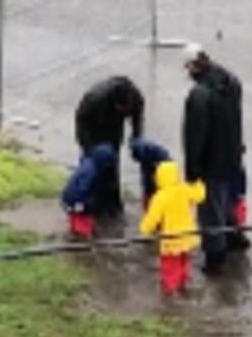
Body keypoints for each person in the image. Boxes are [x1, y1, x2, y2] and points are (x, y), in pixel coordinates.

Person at [182, 43, 249, 275]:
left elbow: (194, 137)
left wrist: (191, 169)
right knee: (228, 200)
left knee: (210, 210)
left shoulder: (198, 96)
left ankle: (215, 257)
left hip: (211, 163)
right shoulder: (232, 81)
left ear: (192, 67)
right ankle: (235, 238)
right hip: (233, 155)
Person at [75, 76, 145, 217]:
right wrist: (88, 147)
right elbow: (81, 122)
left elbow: (137, 118)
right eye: (122, 108)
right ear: (115, 103)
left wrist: (136, 137)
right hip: (93, 127)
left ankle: (113, 205)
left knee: (112, 164)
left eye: (126, 109)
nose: (125, 111)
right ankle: (91, 205)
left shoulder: (136, 99)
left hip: (113, 128)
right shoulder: (94, 99)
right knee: (93, 168)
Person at [139, 160, 205, 296]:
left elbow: (152, 218)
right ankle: (183, 285)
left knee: (169, 268)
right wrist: (199, 181)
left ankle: (171, 293)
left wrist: (144, 230)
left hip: (171, 241)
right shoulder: (184, 189)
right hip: (187, 237)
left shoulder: (160, 197)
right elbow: (200, 196)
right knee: (183, 263)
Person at [60, 144, 117, 239]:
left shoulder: (88, 163)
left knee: (75, 219)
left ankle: (75, 232)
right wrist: (84, 205)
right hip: (76, 202)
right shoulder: (92, 172)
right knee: (83, 224)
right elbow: (82, 190)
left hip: (68, 199)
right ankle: (84, 239)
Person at [129, 136, 171, 211]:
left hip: (162, 163)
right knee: (151, 185)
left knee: (152, 186)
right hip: (163, 161)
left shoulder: (144, 151)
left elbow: (145, 170)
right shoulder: (141, 148)